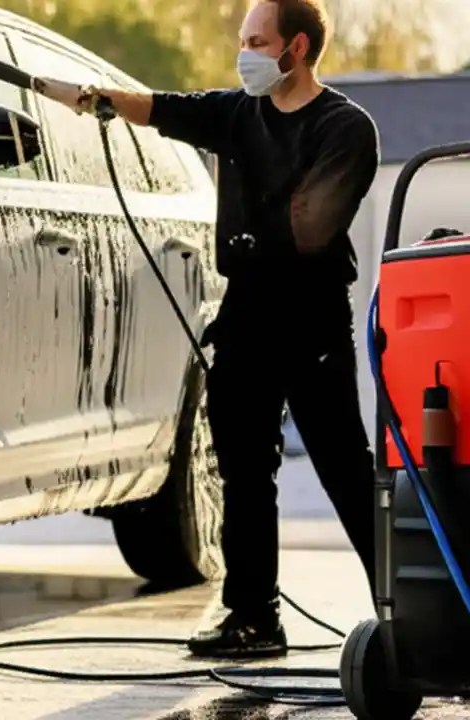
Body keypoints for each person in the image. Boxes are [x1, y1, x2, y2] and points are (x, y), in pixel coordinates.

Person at [36, 0, 382, 659]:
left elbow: (311, 227)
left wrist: (257, 223)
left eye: (258, 39)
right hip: (246, 310)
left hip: (309, 317)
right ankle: (253, 617)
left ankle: (419, 620)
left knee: (345, 470)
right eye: (243, 38)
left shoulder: (345, 128)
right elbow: (160, 106)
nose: (244, 51)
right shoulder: (235, 113)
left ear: (298, 47)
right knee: (244, 471)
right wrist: (90, 100)